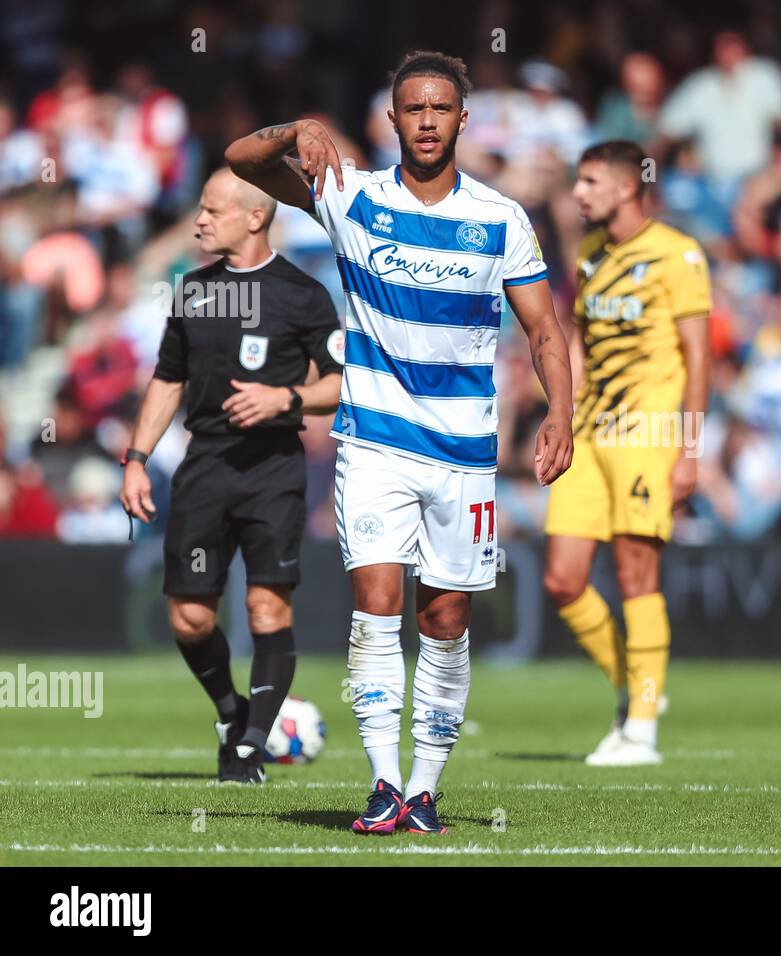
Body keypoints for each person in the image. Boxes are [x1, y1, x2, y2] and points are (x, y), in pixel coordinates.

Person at [225, 51, 574, 834]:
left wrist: (562, 413)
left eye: (439, 109)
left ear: (461, 120)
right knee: (375, 607)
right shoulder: (349, 194)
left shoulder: (500, 218)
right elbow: (242, 158)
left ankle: (424, 787)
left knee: (445, 620)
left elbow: (545, 329)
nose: (425, 121)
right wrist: (300, 127)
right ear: (392, 119)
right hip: (375, 441)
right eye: (412, 108)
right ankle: (383, 783)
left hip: (465, 450)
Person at [119, 168, 343, 783]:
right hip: (206, 469)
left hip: (273, 470)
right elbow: (168, 379)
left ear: (254, 217)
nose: (198, 221)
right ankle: (231, 714)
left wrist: (284, 400)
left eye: (212, 211)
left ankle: (248, 748)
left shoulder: (304, 294)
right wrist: (136, 460)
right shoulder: (192, 290)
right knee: (189, 617)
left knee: (268, 609)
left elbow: (341, 380)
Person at [543, 140, 711, 766]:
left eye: (588, 182)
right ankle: (636, 684)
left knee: (638, 573)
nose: (578, 193)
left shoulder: (677, 254)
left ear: (624, 187)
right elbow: (582, 347)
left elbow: (700, 357)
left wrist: (689, 450)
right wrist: (561, 417)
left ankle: (640, 729)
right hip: (590, 433)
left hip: (648, 435)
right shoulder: (591, 255)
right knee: (563, 580)